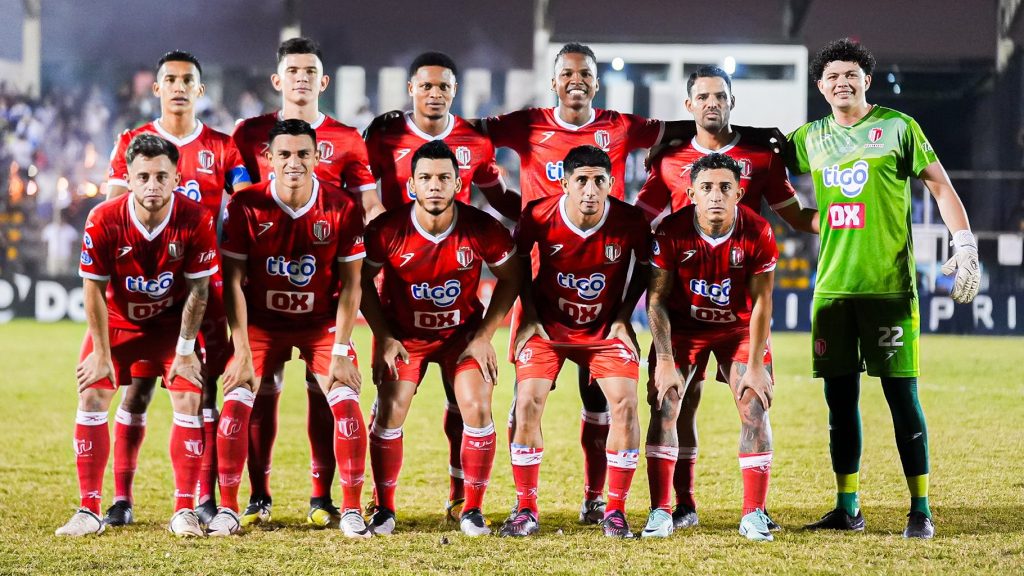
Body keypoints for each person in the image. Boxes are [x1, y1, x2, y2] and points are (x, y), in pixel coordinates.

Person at [789, 39, 980, 539]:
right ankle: (847, 506)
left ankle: (921, 508)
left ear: (866, 81)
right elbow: (769, 179)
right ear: (820, 86)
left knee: (902, 398)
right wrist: (809, 219)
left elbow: (939, 185)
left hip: (889, 289)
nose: (842, 82)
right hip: (832, 290)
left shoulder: (898, 127)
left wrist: (964, 243)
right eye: (832, 76)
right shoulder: (809, 138)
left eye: (851, 74)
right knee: (839, 401)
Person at [635, 64, 818, 530]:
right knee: (674, 400)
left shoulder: (760, 158)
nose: (712, 103)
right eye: (703, 96)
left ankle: (754, 513)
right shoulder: (669, 161)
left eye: (720, 95)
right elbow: (639, 220)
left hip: (738, 312)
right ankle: (678, 506)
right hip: (683, 310)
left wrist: (848, 222)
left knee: (754, 399)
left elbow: (794, 216)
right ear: (689, 105)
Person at [363, 53, 521, 520]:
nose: (435, 93)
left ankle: (466, 504)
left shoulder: (475, 149)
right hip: (401, 314)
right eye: (426, 85)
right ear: (411, 88)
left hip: (460, 319)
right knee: (390, 408)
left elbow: (504, 216)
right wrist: (383, 336)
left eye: (444, 86)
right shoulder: (383, 136)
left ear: (458, 181)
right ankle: (382, 506)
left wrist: (485, 334)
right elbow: (352, 186)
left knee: (472, 403)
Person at [230, 37, 377, 528]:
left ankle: (326, 499)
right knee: (255, 389)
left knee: (330, 391)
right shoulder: (247, 134)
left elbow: (369, 211)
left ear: (323, 81)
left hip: (323, 302)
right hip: (263, 301)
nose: (300, 78)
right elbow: (237, 205)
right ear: (277, 79)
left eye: (310, 71)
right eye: (291, 70)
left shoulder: (349, 142)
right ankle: (253, 497)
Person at [104, 50, 251, 527]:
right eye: (171, 79)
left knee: (203, 392)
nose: (180, 86)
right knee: (138, 391)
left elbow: (248, 205)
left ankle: (200, 497)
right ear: (157, 88)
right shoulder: (131, 141)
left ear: (200, 90)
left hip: (200, 291)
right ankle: (121, 500)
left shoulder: (224, 148)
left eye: (189, 80)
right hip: (146, 295)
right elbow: (111, 212)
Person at [207, 119, 370, 538]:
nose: (293, 162)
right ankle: (231, 507)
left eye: (303, 153)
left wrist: (340, 350)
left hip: (321, 325)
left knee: (345, 399)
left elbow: (353, 285)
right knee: (238, 400)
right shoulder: (245, 207)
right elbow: (234, 284)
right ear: (269, 159)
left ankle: (350, 510)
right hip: (262, 323)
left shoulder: (342, 207)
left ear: (317, 157)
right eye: (284, 154)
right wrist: (241, 351)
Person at [56, 134, 218, 537]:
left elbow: (199, 290)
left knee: (188, 392)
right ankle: (89, 510)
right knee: (93, 390)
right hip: (116, 322)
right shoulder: (103, 218)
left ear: (176, 178)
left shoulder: (196, 218)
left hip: (169, 326)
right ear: (127, 178)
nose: (152, 185)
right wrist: (100, 352)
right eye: (143, 176)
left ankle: (184, 509)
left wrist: (184, 351)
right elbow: (93, 287)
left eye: (161, 176)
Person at [501, 145, 650, 538]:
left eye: (599, 180)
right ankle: (527, 508)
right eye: (581, 180)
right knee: (527, 402)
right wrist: (529, 315)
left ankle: (613, 510)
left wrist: (622, 316)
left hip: (603, 331)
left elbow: (647, 268)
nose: (590, 189)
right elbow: (517, 262)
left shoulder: (631, 221)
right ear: (564, 182)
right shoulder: (537, 216)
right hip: (548, 328)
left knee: (626, 405)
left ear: (611, 183)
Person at [643, 153, 779, 541]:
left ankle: (754, 514)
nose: (715, 196)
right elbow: (656, 301)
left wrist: (754, 365)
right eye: (706, 188)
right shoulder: (670, 231)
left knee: (755, 404)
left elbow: (763, 304)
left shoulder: (758, 231)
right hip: (684, 329)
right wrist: (665, 360)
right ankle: (661, 511)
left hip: (737, 330)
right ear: (691, 194)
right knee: (666, 402)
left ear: (739, 192)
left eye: (724, 188)